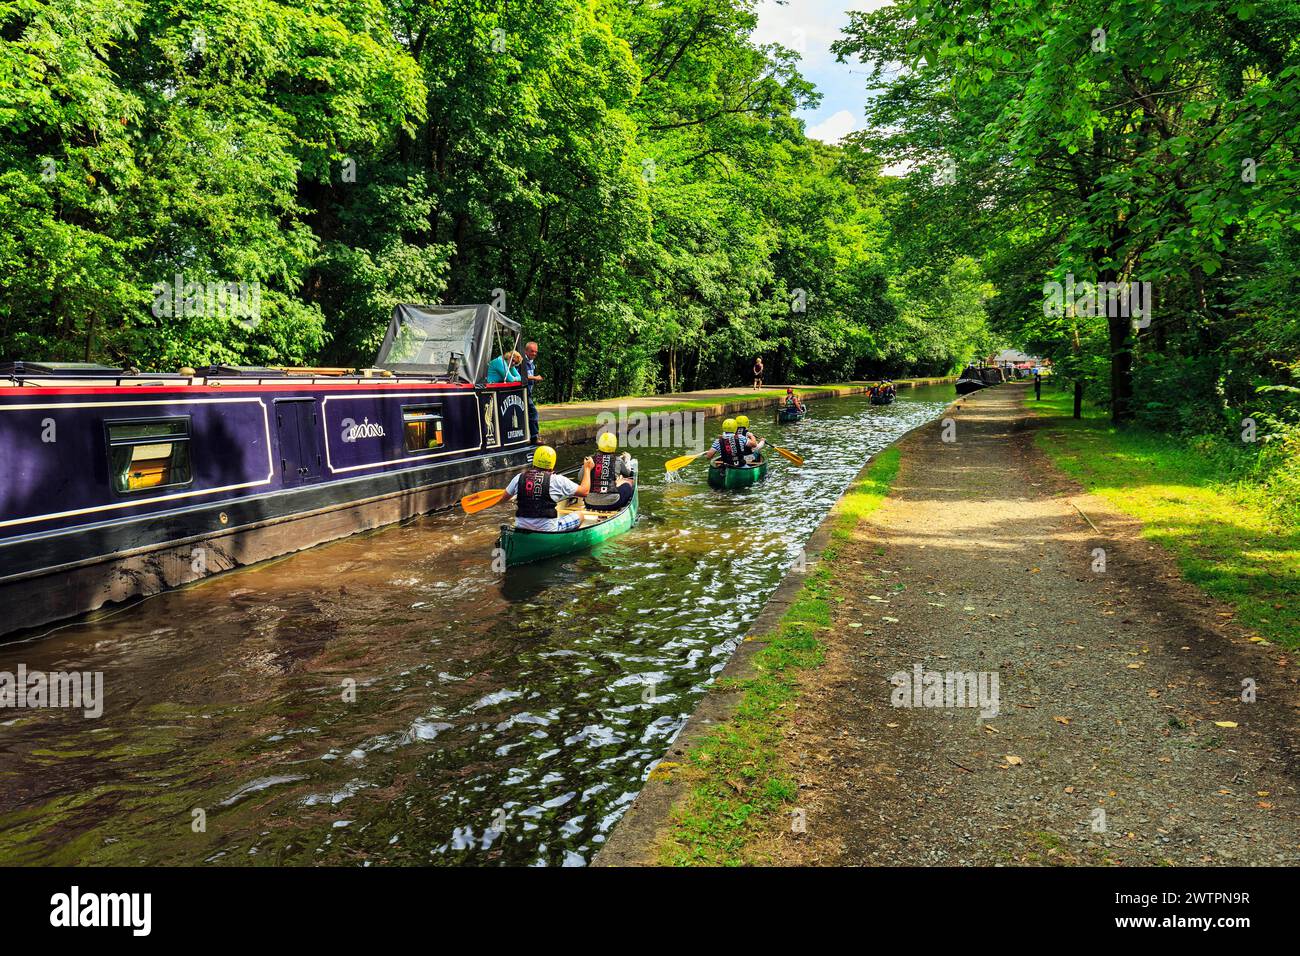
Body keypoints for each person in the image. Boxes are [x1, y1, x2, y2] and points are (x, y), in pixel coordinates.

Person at [505, 445, 593, 532]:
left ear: (534, 461)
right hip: (548, 531)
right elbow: (584, 491)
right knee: (580, 515)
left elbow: (504, 497)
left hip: (521, 529)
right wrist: (587, 468)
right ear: (552, 463)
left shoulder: (519, 478)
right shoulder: (558, 480)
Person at [587, 432, 636, 511]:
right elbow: (628, 473)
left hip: (589, 503)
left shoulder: (590, 460)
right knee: (627, 485)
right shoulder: (618, 460)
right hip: (612, 504)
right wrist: (627, 459)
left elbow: (580, 477)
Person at [521, 341, 543, 443]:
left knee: (527, 414)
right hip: (523, 393)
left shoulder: (531, 362)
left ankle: (526, 436)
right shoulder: (521, 361)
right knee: (533, 413)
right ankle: (534, 437)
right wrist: (535, 377)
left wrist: (534, 380)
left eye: (536, 352)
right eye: (532, 351)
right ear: (526, 351)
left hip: (528, 392)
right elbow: (520, 376)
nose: (534, 354)